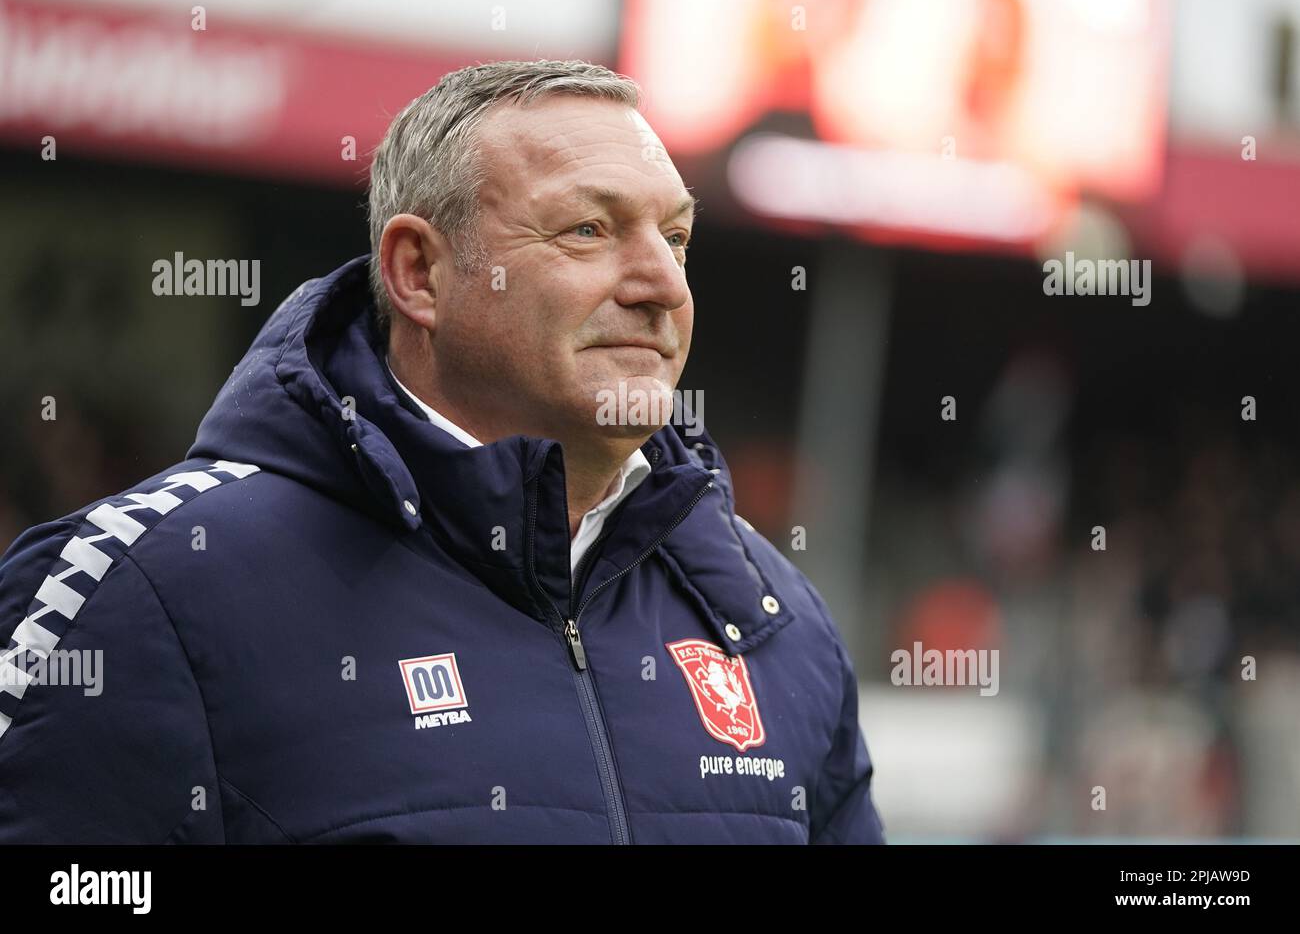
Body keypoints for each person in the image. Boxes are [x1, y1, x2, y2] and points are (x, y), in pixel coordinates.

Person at [0, 59, 884, 844]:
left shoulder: (776, 620)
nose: (664, 286)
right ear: (419, 272)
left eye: (677, 237)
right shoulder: (141, 589)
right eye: (588, 230)